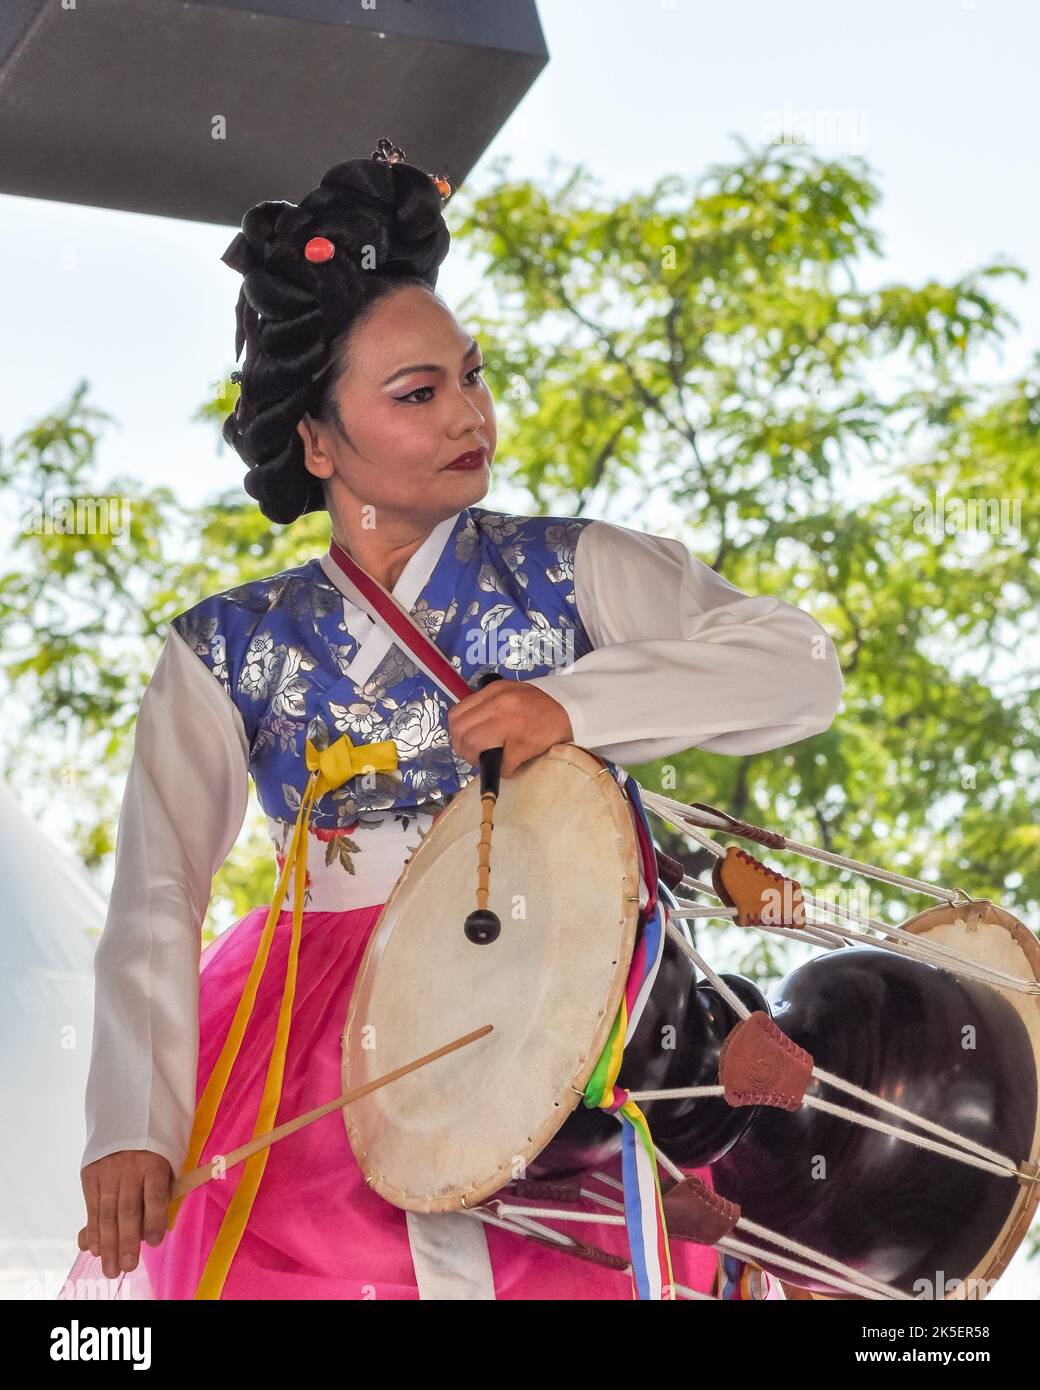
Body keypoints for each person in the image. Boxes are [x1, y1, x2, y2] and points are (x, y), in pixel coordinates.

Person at [61, 141, 844, 1301]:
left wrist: (571, 705)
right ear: (319, 443)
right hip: (315, 1043)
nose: (470, 413)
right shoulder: (223, 646)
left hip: (559, 1002)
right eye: (418, 394)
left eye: (470, 376)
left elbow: (798, 669)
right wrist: (133, 1117)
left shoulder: (577, 570)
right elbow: (157, 893)